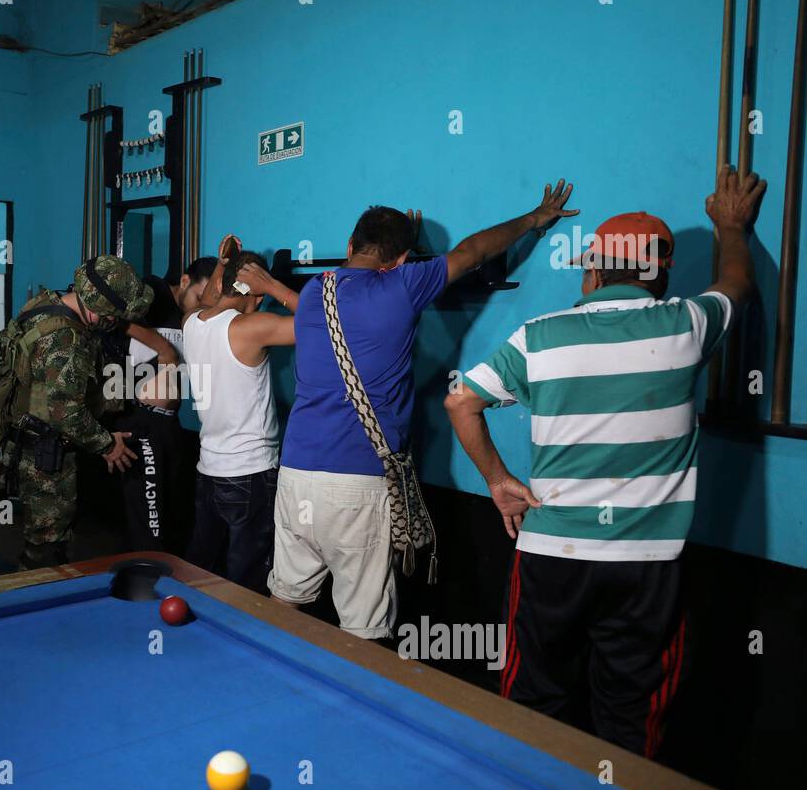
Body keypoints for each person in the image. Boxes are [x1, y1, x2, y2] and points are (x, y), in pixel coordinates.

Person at [443, 167, 765, 756]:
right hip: (646, 568)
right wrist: (733, 227)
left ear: (592, 270)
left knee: (534, 702)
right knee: (631, 715)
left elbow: (460, 399)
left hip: (551, 558)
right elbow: (737, 283)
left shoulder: (539, 335)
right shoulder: (688, 325)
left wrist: (499, 482)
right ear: (659, 275)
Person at [269, 184, 578, 640]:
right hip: (357, 483)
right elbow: (473, 251)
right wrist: (534, 219)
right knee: (363, 629)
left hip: (294, 473)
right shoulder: (404, 286)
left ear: (351, 245)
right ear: (400, 261)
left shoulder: (316, 291)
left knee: (286, 602)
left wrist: (401, 249)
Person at [6, 254, 153, 568]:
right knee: (48, 547)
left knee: (39, 537)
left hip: (32, 436)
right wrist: (108, 445)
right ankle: (37, 605)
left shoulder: (45, 303)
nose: (114, 322)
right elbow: (67, 414)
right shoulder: (65, 339)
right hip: (47, 452)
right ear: (101, 310)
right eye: (114, 316)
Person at [183, 249, 298, 594]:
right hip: (249, 474)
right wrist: (274, 287)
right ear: (257, 293)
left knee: (202, 569)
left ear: (221, 282)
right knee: (247, 581)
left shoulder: (190, 321)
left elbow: (208, 298)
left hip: (208, 470)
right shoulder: (251, 327)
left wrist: (222, 264)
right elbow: (326, 321)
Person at [114, 256, 218, 553]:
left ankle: (166, 579)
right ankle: (148, 581)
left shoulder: (193, 319)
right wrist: (165, 351)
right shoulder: (154, 291)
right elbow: (117, 321)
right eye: (199, 296)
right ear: (184, 281)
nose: (201, 305)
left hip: (169, 423)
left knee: (171, 511)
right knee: (151, 518)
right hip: (141, 420)